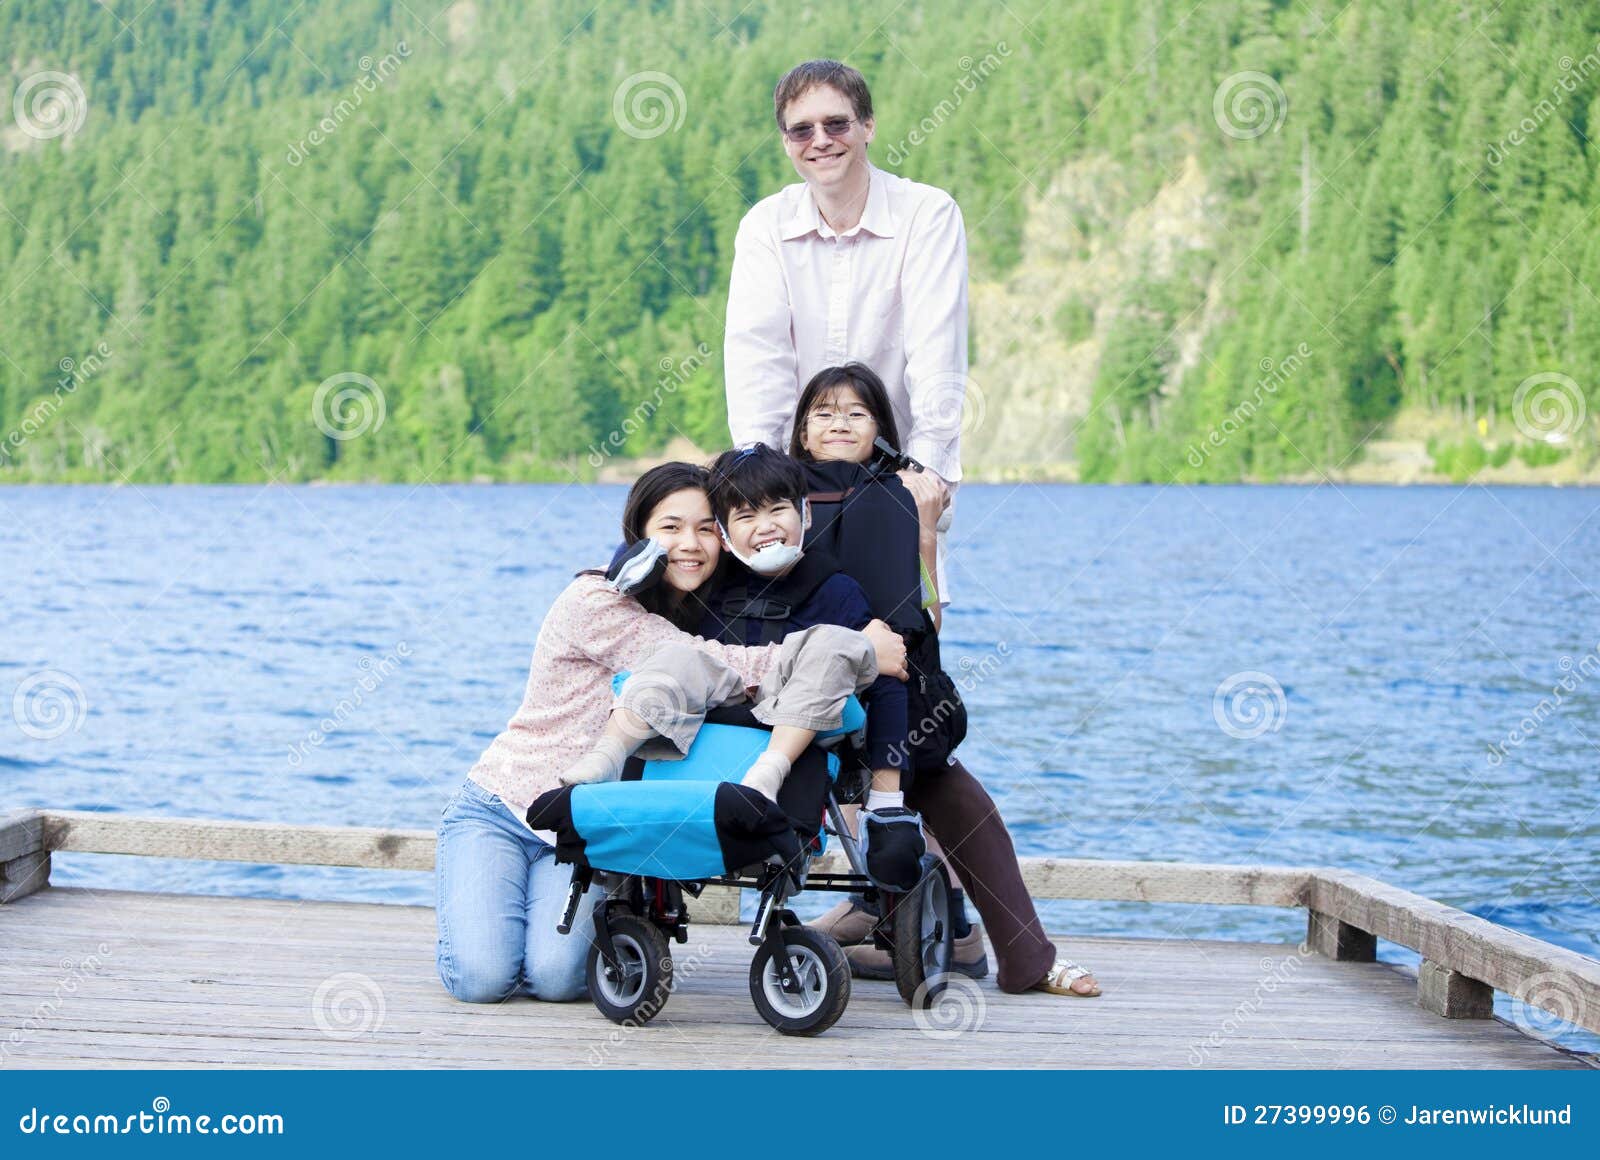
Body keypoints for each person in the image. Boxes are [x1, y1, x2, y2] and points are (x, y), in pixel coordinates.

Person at [435, 462, 905, 1004]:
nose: (691, 544)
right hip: (504, 805)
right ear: (638, 535)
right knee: (482, 979)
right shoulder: (597, 599)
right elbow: (711, 661)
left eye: (707, 528)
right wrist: (856, 650)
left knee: (557, 979)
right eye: (671, 527)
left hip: (584, 826)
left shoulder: (698, 609)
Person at [792, 364, 1102, 998]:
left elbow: (929, 616)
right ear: (801, 432)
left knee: (941, 777)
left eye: (856, 412)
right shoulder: (777, 491)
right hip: (795, 680)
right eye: (822, 412)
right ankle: (911, 922)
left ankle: (1023, 955)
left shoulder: (906, 492)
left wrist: (925, 531)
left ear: (880, 428)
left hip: (896, 682)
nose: (839, 423)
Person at [724, 57, 962, 606]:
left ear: (868, 126)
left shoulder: (927, 214)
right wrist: (760, 483)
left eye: (837, 124)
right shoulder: (765, 226)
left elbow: (938, 357)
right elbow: (757, 360)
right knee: (788, 654)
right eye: (801, 129)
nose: (821, 141)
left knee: (906, 651)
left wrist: (922, 482)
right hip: (794, 492)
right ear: (785, 141)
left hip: (893, 475)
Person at [698, 443, 927, 890]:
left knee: (859, 658)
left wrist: (886, 796)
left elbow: (886, 681)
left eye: (778, 510)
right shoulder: (708, 588)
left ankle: (884, 816)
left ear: (805, 514)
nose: (765, 527)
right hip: (714, 731)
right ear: (723, 535)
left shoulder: (836, 590)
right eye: (745, 517)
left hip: (806, 734)